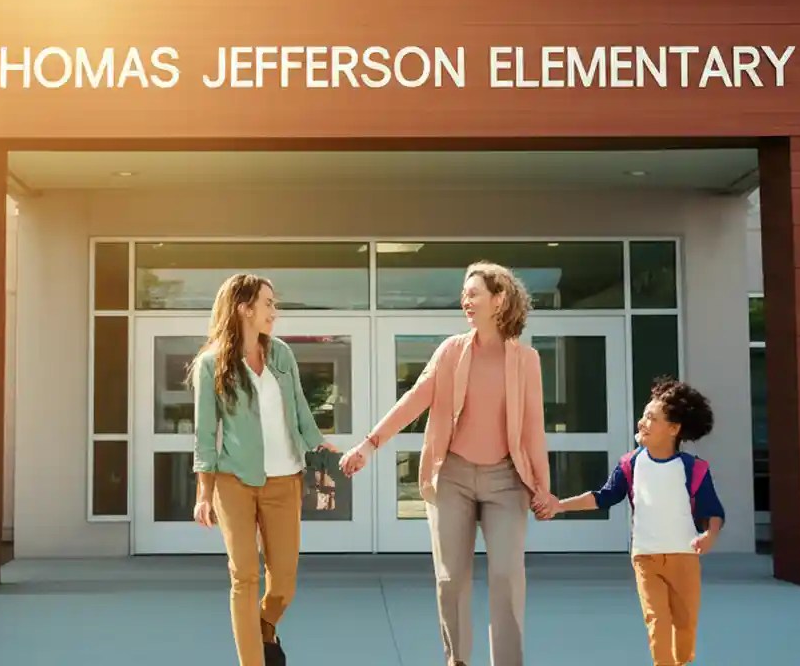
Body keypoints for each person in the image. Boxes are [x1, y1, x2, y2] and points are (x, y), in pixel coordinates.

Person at [340, 261, 555, 666]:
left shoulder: (525, 360)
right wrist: (370, 444)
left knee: (507, 577)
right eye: (464, 294)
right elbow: (415, 400)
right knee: (451, 580)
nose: (466, 301)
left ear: (500, 299)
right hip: (452, 476)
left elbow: (533, 429)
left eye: (474, 293)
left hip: (506, 480)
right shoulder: (452, 351)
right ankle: (458, 661)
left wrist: (542, 487)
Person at [189, 273, 341, 666]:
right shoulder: (211, 365)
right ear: (245, 308)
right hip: (233, 482)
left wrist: (318, 443)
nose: (275, 311)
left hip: (285, 479)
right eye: (268, 303)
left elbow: (300, 407)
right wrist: (203, 493)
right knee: (243, 577)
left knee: (283, 584)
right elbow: (205, 434)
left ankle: (264, 625)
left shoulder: (281, 355)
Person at [548, 377, 726, 666]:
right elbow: (603, 497)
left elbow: (712, 511)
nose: (642, 422)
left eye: (651, 418)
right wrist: (559, 506)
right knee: (657, 620)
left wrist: (710, 535)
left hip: (684, 557)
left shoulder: (693, 469)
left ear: (673, 429)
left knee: (685, 625)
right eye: (643, 415)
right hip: (645, 557)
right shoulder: (630, 464)